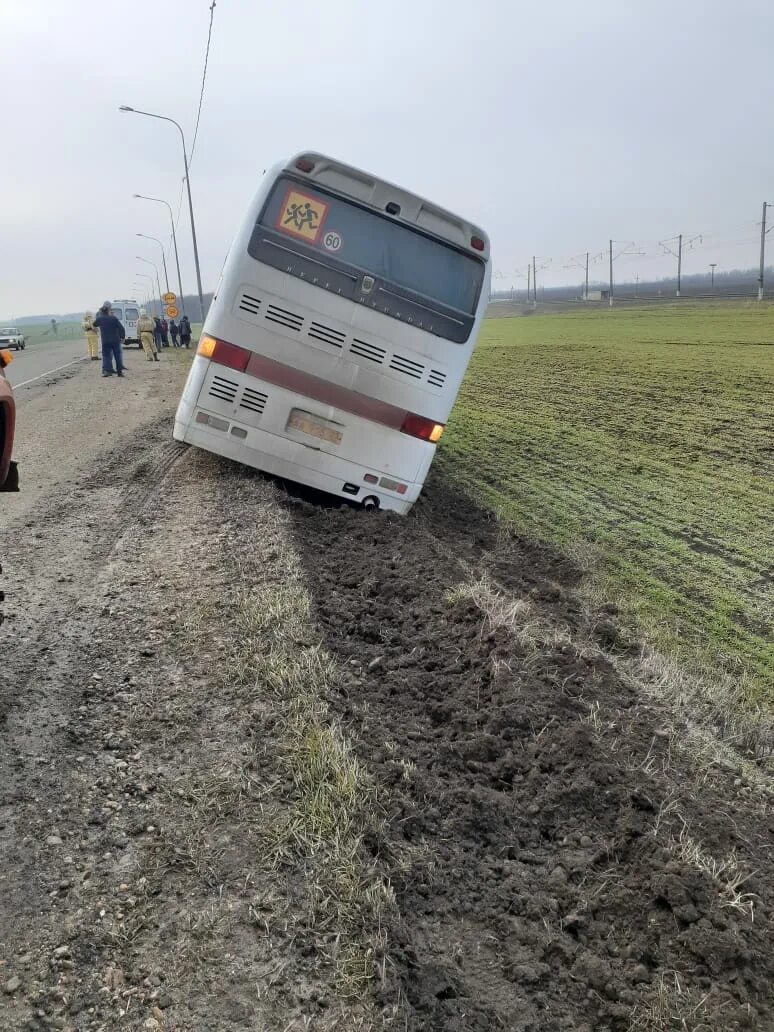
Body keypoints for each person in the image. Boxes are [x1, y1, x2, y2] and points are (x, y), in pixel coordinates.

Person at [93, 302, 125, 377]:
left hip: (105, 341)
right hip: (115, 340)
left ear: (101, 311)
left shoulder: (100, 319)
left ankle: (107, 371)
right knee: (117, 355)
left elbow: (94, 324)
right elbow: (122, 329)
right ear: (108, 311)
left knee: (106, 356)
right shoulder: (114, 318)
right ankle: (119, 372)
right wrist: (122, 337)